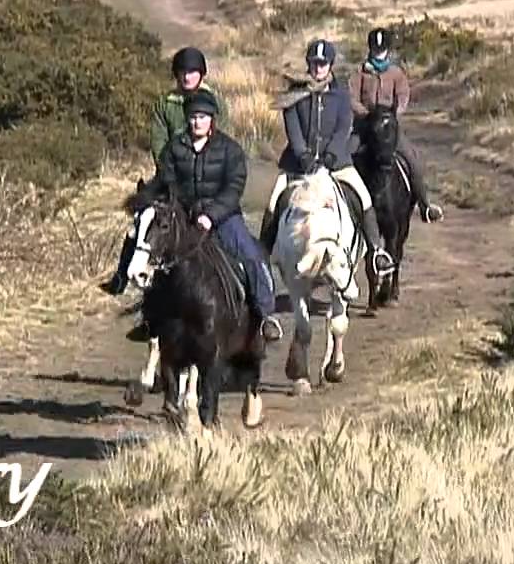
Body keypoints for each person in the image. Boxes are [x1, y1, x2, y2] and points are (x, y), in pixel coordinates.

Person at [146, 91, 284, 342]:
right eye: (193, 117)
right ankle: (150, 318)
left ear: (212, 119)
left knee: (251, 256)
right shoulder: (174, 148)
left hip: (224, 217)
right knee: (155, 255)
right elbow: (167, 179)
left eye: (202, 117)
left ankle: (265, 314)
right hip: (185, 217)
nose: (197, 122)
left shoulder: (229, 149)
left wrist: (211, 215)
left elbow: (234, 187)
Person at [258, 39, 395, 276]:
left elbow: (344, 127)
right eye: (314, 63)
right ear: (308, 64)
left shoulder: (341, 94)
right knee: (274, 201)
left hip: (337, 163)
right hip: (298, 165)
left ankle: (376, 252)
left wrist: (331, 154)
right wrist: (303, 156)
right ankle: (262, 256)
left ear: (330, 65)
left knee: (363, 198)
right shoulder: (295, 94)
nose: (318, 68)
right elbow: (293, 129)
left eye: (323, 63)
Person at [101, 46, 227, 295]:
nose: (187, 77)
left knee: (226, 228)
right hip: (171, 173)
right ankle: (122, 274)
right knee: (141, 218)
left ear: (202, 74)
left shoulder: (215, 102)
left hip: (208, 173)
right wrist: (169, 172)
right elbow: (158, 141)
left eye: (192, 72)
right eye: (182, 72)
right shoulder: (165, 104)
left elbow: (223, 136)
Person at [348, 27, 444, 223]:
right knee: (344, 155)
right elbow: (352, 98)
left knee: (412, 158)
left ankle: (425, 205)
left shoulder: (396, 72)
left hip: (389, 129)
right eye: (375, 50)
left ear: (388, 50)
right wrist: (367, 114)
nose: (378, 54)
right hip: (365, 127)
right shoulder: (359, 72)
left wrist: (392, 114)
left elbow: (403, 96)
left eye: (381, 50)